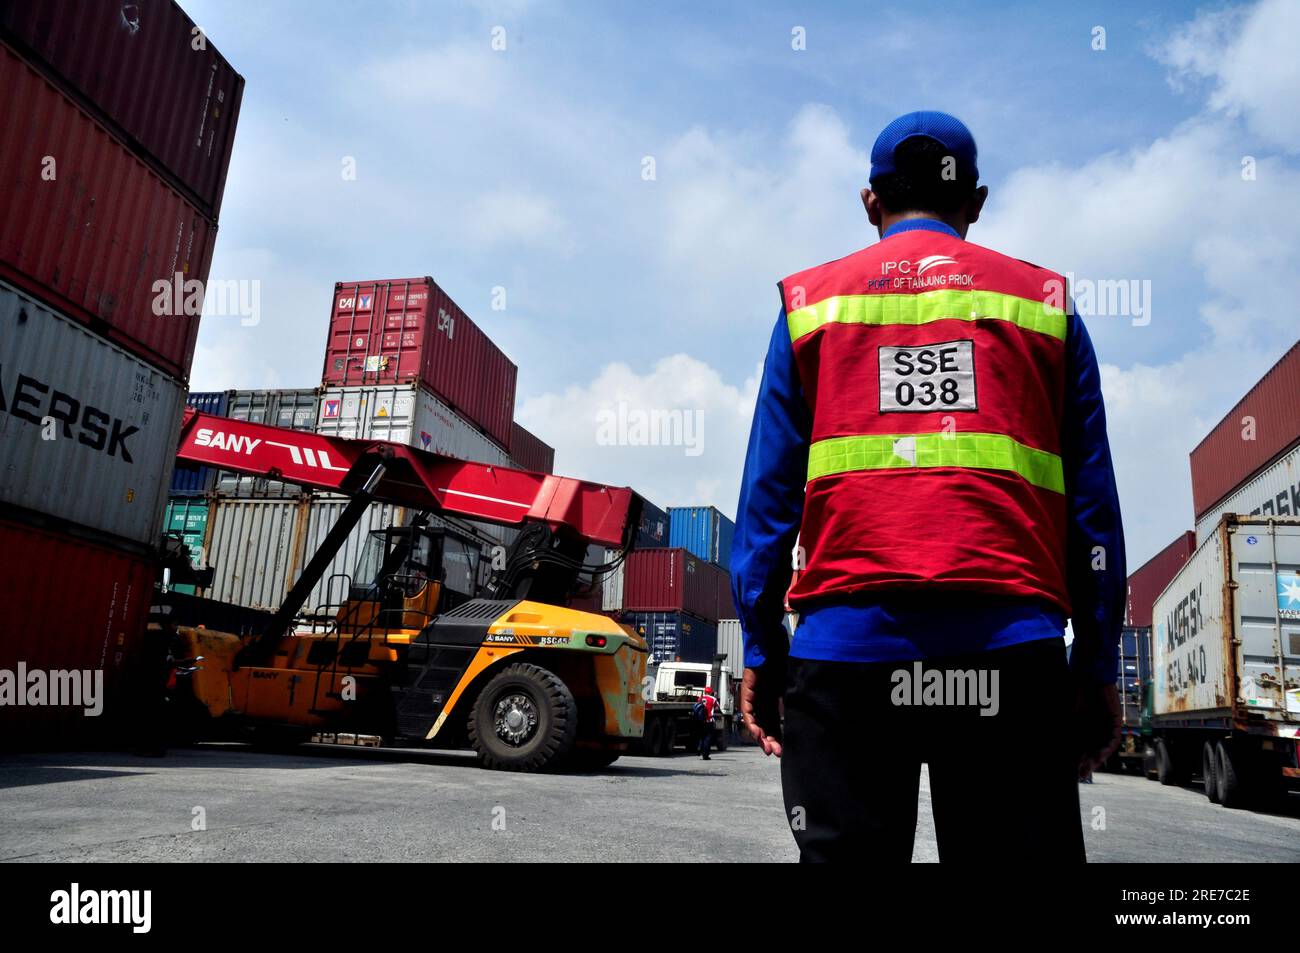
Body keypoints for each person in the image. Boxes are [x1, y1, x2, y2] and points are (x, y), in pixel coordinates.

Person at [730, 111, 1125, 863]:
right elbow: (1093, 511)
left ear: (870, 202)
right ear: (975, 203)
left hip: (846, 664)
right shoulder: (1044, 307)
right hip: (1008, 662)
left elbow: (768, 501)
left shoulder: (811, 306)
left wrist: (761, 646)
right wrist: (1097, 663)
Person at [694, 687, 718, 760]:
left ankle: (698, 748)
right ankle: (705, 755)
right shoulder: (713, 699)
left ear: (705, 692)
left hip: (701, 721)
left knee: (701, 736)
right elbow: (717, 708)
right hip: (709, 720)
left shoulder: (700, 698)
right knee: (707, 738)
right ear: (711, 692)